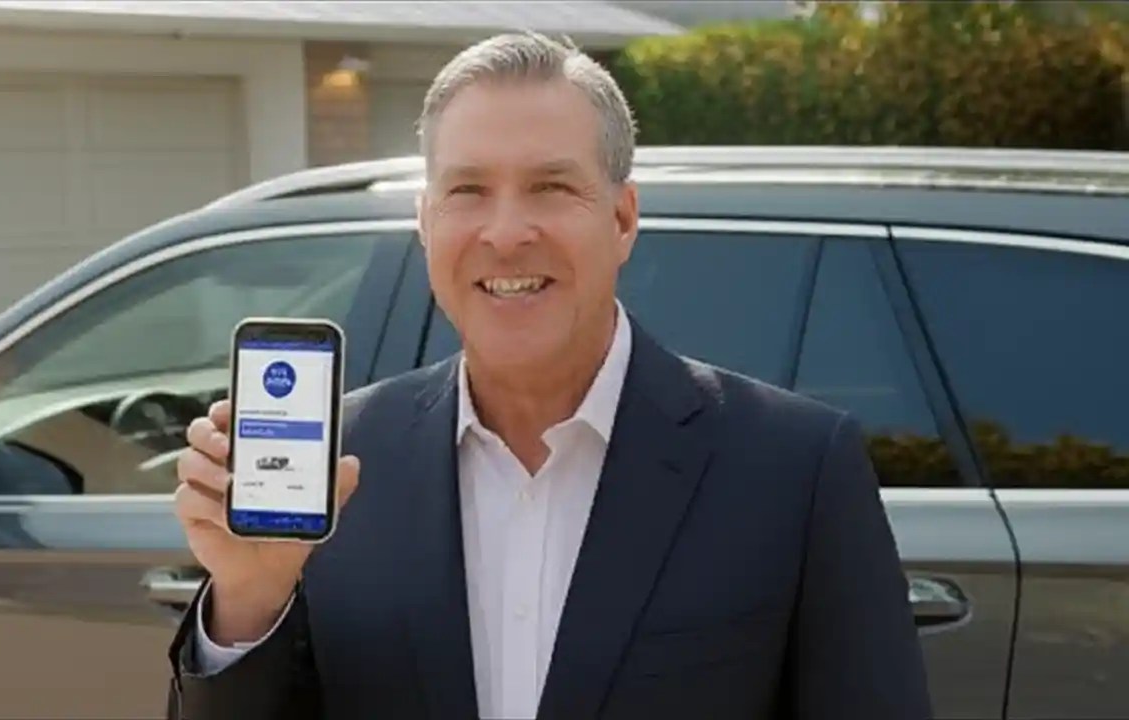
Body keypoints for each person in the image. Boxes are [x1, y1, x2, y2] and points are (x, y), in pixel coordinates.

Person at [166, 32, 932, 720]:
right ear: (428, 224)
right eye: (468, 191)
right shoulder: (342, 470)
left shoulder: (792, 468)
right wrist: (249, 602)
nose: (505, 233)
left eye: (551, 188)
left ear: (623, 219)